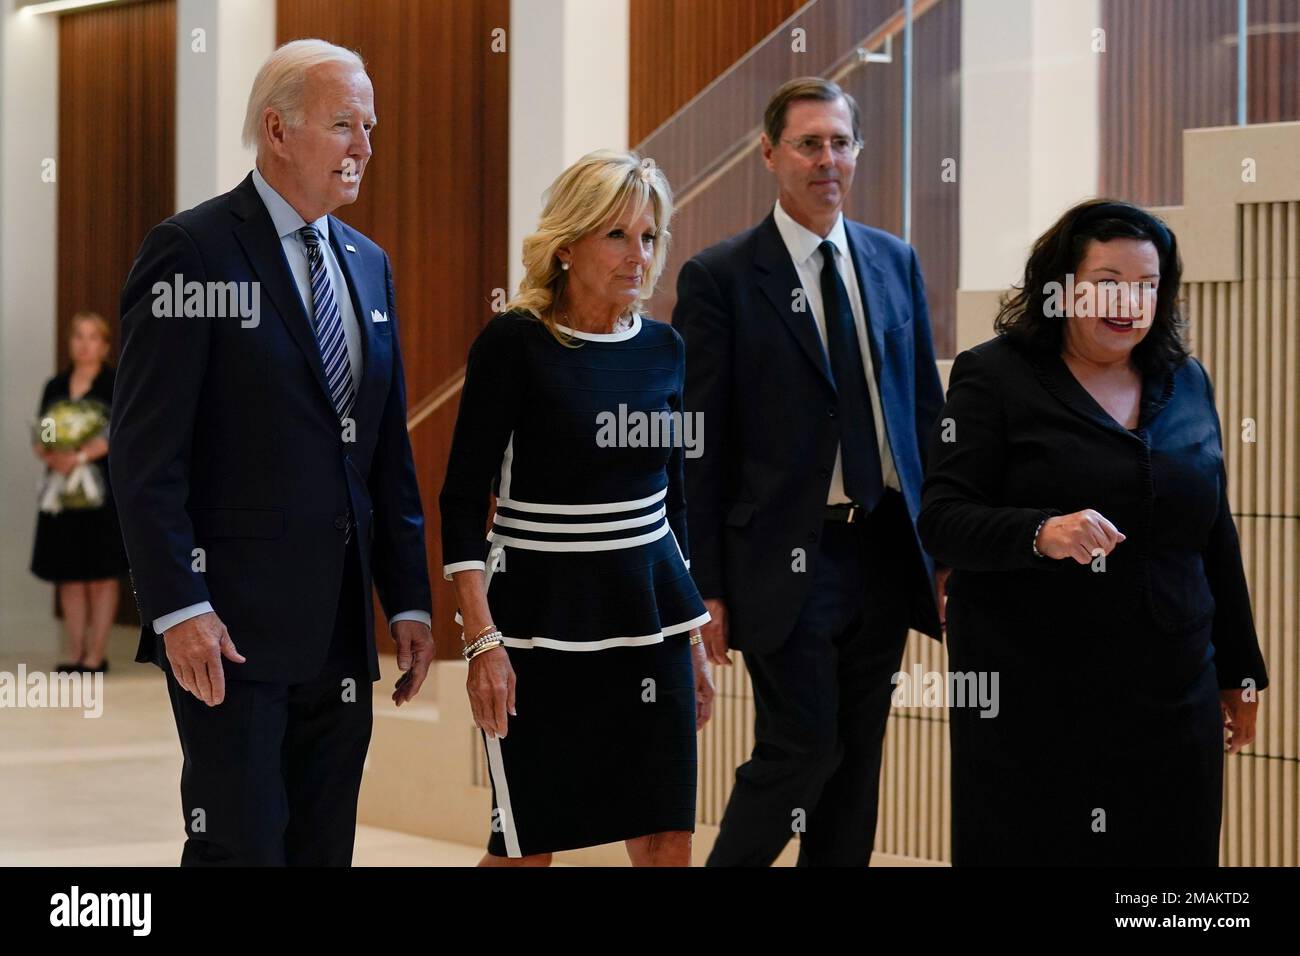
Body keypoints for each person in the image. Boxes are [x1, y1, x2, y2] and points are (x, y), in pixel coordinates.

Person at [111, 39, 434, 866]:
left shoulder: (369, 265)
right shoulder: (193, 251)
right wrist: (179, 607)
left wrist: (408, 598)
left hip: (340, 625)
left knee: (323, 847)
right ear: (277, 130)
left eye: (370, 127)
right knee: (240, 846)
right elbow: (147, 456)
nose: (364, 148)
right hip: (231, 629)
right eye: (343, 126)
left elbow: (385, 453)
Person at [917, 199, 1269, 865]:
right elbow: (942, 520)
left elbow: (1213, 531)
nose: (1128, 301)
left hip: (1174, 691)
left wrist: (1241, 671)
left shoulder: (1185, 380)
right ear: (1060, 286)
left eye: (1146, 284)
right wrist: (1041, 530)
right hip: (1034, 697)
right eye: (1107, 281)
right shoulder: (994, 376)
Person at [672, 77, 946, 867]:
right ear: (768, 154)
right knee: (804, 747)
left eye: (839, 142)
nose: (827, 159)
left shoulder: (894, 261)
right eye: (807, 143)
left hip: (884, 548)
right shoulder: (720, 276)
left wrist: (941, 551)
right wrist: (706, 585)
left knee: (857, 763)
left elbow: (924, 416)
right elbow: (699, 443)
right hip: (782, 555)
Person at [440, 149, 714, 867]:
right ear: (566, 245)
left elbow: (673, 498)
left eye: (650, 236)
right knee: (529, 844)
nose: (639, 255)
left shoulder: (665, 349)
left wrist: (692, 634)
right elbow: (462, 498)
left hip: (651, 618)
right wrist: (481, 641)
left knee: (667, 836)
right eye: (617, 235)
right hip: (538, 628)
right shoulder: (514, 343)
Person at [31, 311, 129, 673]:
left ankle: (95, 654)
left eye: (93, 337)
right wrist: (50, 454)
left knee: (100, 575)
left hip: (102, 494)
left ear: (105, 345)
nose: (84, 344)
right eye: (78, 336)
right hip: (61, 496)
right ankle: (74, 653)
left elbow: (122, 431)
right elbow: (41, 432)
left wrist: (84, 454)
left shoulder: (115, 383)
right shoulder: (55, 385)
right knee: (69, 575)